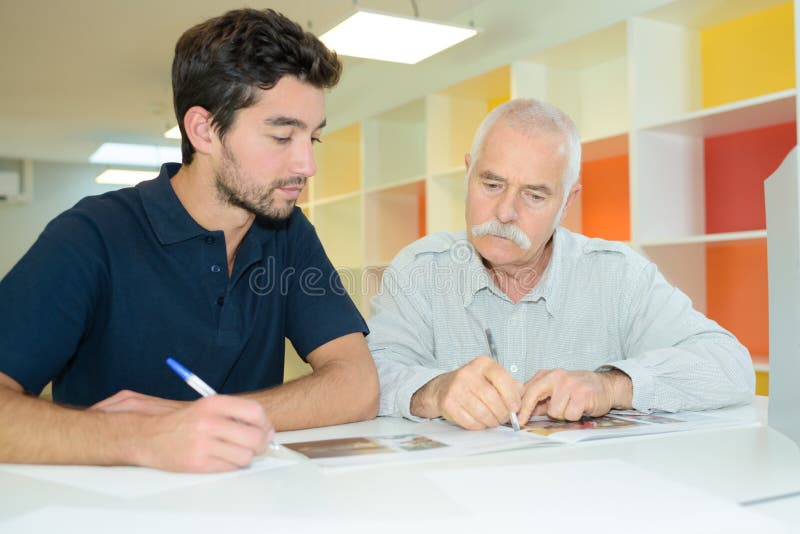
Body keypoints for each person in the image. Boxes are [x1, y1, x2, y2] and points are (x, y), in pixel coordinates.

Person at [0, 8, 378, 472]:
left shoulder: (289, 232)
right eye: (282, 136)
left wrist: (202, 420)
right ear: (203, 130)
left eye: (313, 139)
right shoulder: (90, 235)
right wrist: (144, 437)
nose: (307, 165)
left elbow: (357, 384)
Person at [368, 98, 754, 430]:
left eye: (534, 195)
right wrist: (433, 391)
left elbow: (731, 366)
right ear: (468, 172)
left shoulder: (618, 274)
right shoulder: (419, 271)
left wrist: (611, 386)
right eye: (491, 184)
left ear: (567, 203)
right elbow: (367, 376)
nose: (505, 212)